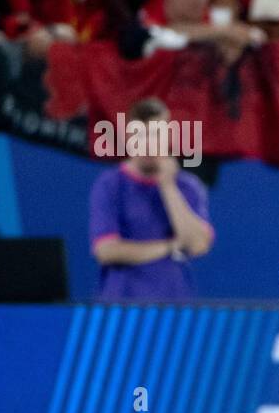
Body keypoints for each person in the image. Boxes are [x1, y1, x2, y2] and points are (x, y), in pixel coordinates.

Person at [89, 98, 214, 301]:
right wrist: (169, 247)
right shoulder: (109, 185)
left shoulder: (188, 187)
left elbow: (197, 244)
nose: (148, 143)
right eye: (140, 135)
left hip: (175, 305)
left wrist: (167, 186)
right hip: (121, 307)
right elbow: (106, 250)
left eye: (156, 135)